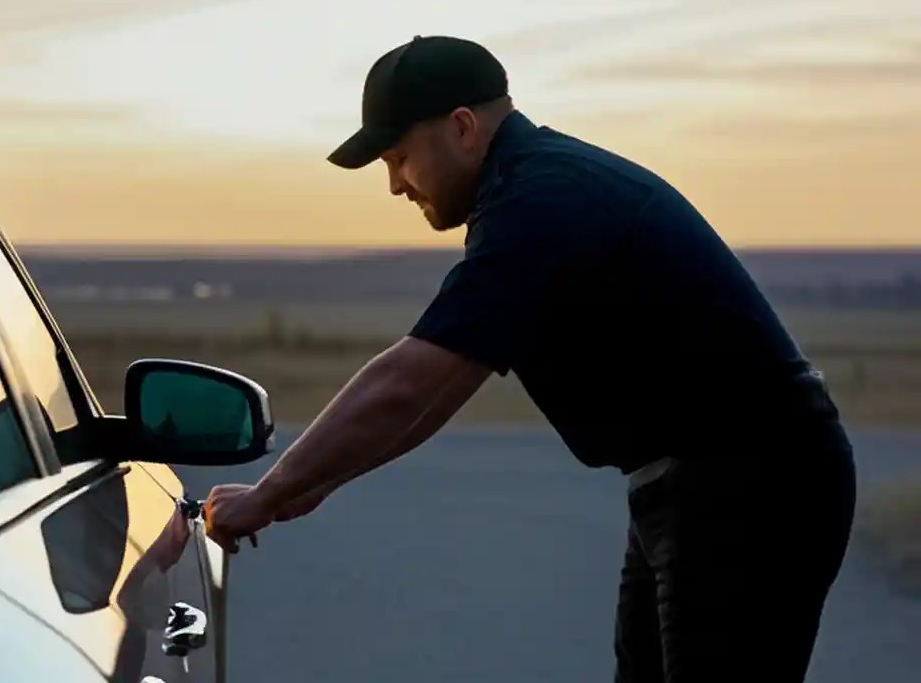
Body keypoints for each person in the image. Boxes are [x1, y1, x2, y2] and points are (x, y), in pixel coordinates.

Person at [202, 35, 857, 682]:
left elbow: (409, 381)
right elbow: (439, 391)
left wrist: (271, 492)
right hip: (702, 481)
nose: (396, 186)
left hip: (749, 483)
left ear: (461, 127)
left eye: (399, 158)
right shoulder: (530, 187)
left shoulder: (542, 199)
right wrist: (312, 484)